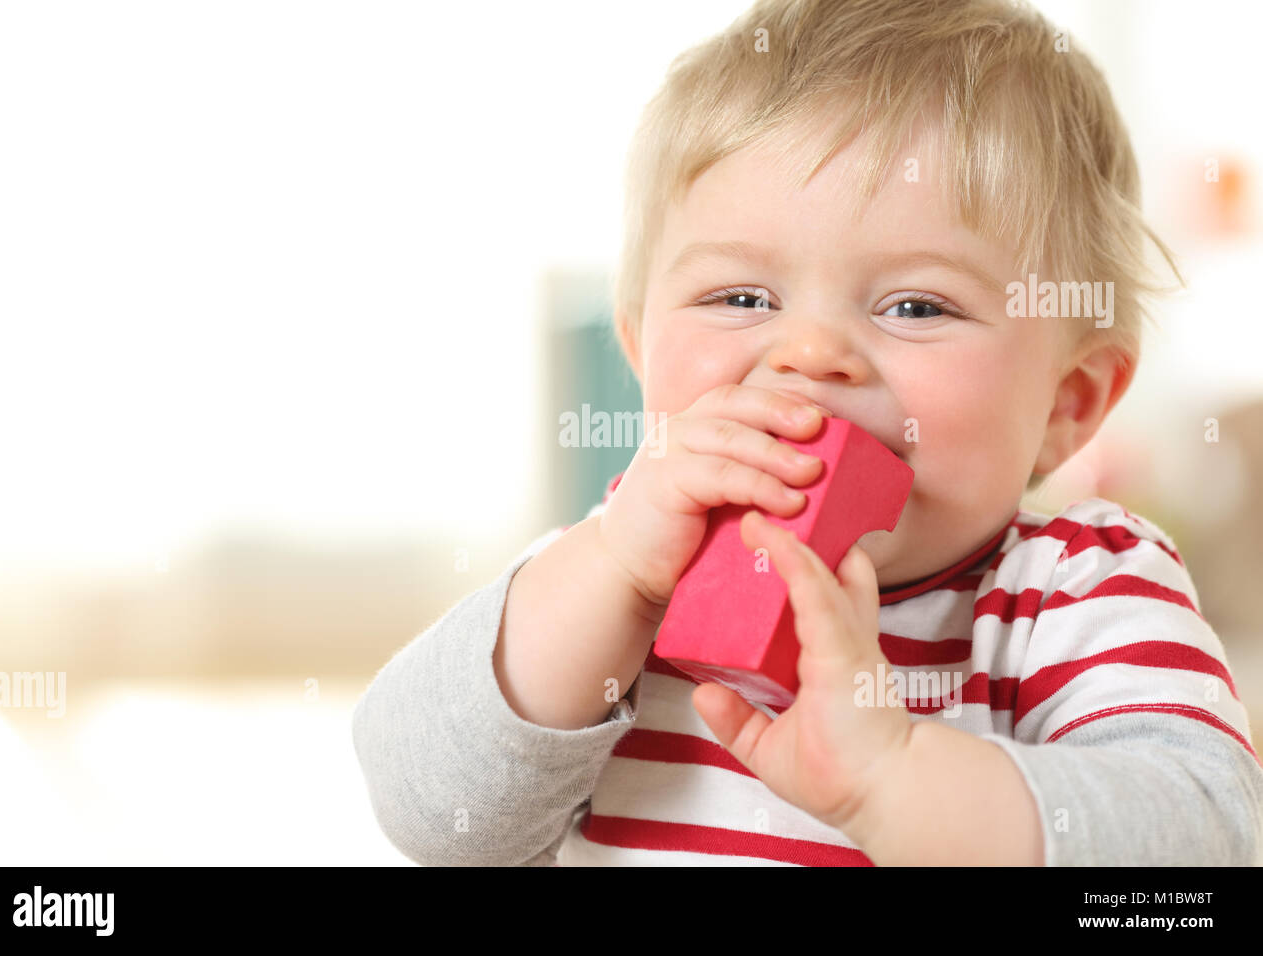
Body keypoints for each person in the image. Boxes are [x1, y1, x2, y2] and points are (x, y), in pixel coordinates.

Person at [352, 0, 1263, 865]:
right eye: (741, 298)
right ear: (641, 356)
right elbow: (433, 816)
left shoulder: (1073, 593)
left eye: (916, 304)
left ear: (1067, 403)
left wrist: (894, 778)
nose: (811, 354)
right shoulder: (617, 580)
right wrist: (615, 578)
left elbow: (1197, 858)